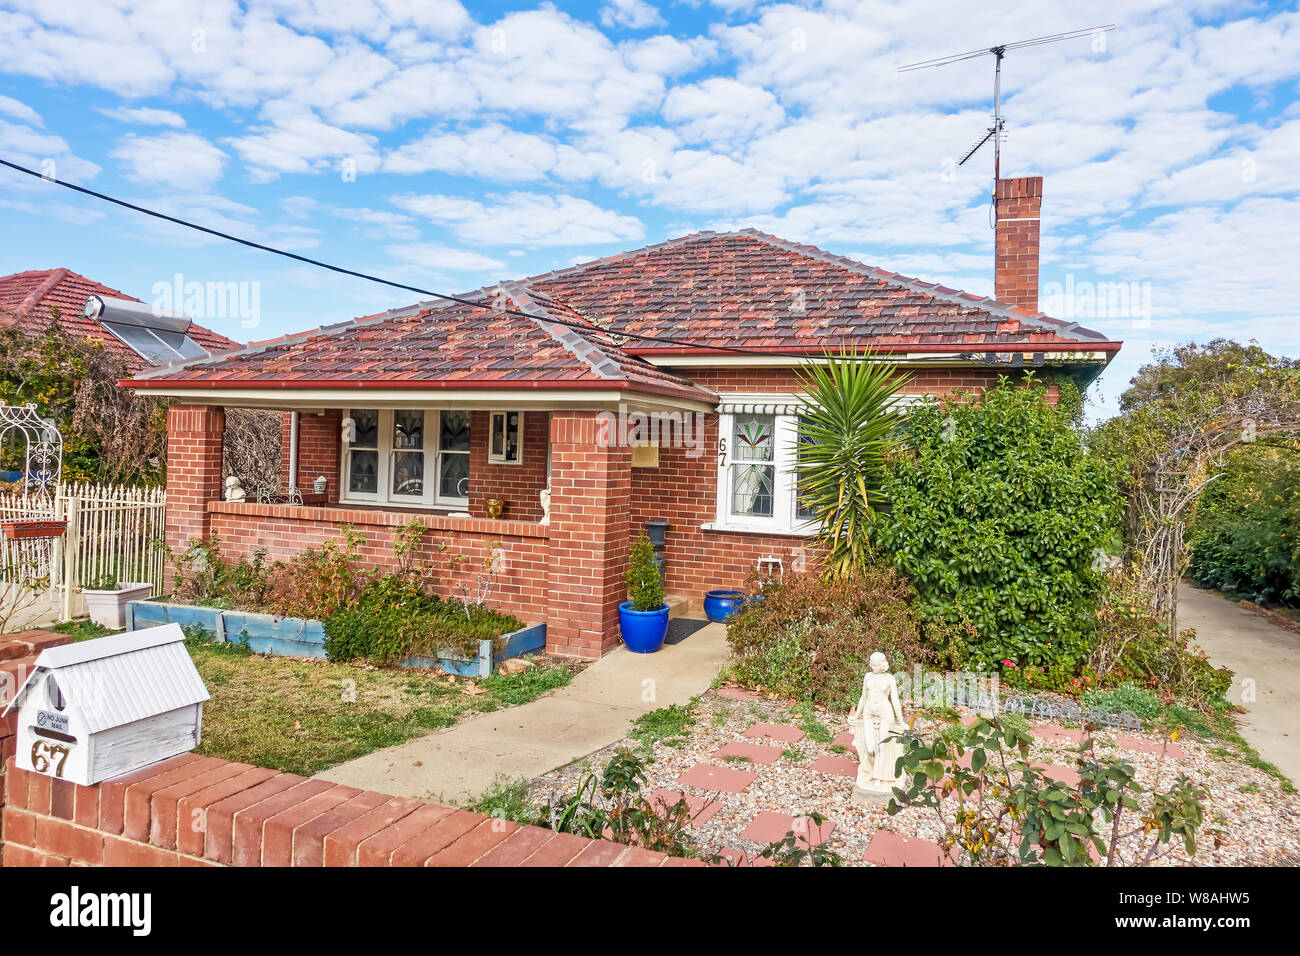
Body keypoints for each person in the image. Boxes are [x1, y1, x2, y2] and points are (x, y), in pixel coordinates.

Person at [848, 652, 906, 802]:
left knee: (883, 747)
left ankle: (879, 778)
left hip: (885, 714)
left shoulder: (889, 679)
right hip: (868, 713)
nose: (872, 667)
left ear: (882, 664)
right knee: (871, 748)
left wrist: (901, 721)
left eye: (875, 664)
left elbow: (895, 701)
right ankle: (871, 771)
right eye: (871, 664)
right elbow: (863, 697)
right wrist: (856, 715)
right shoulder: (868, 677)